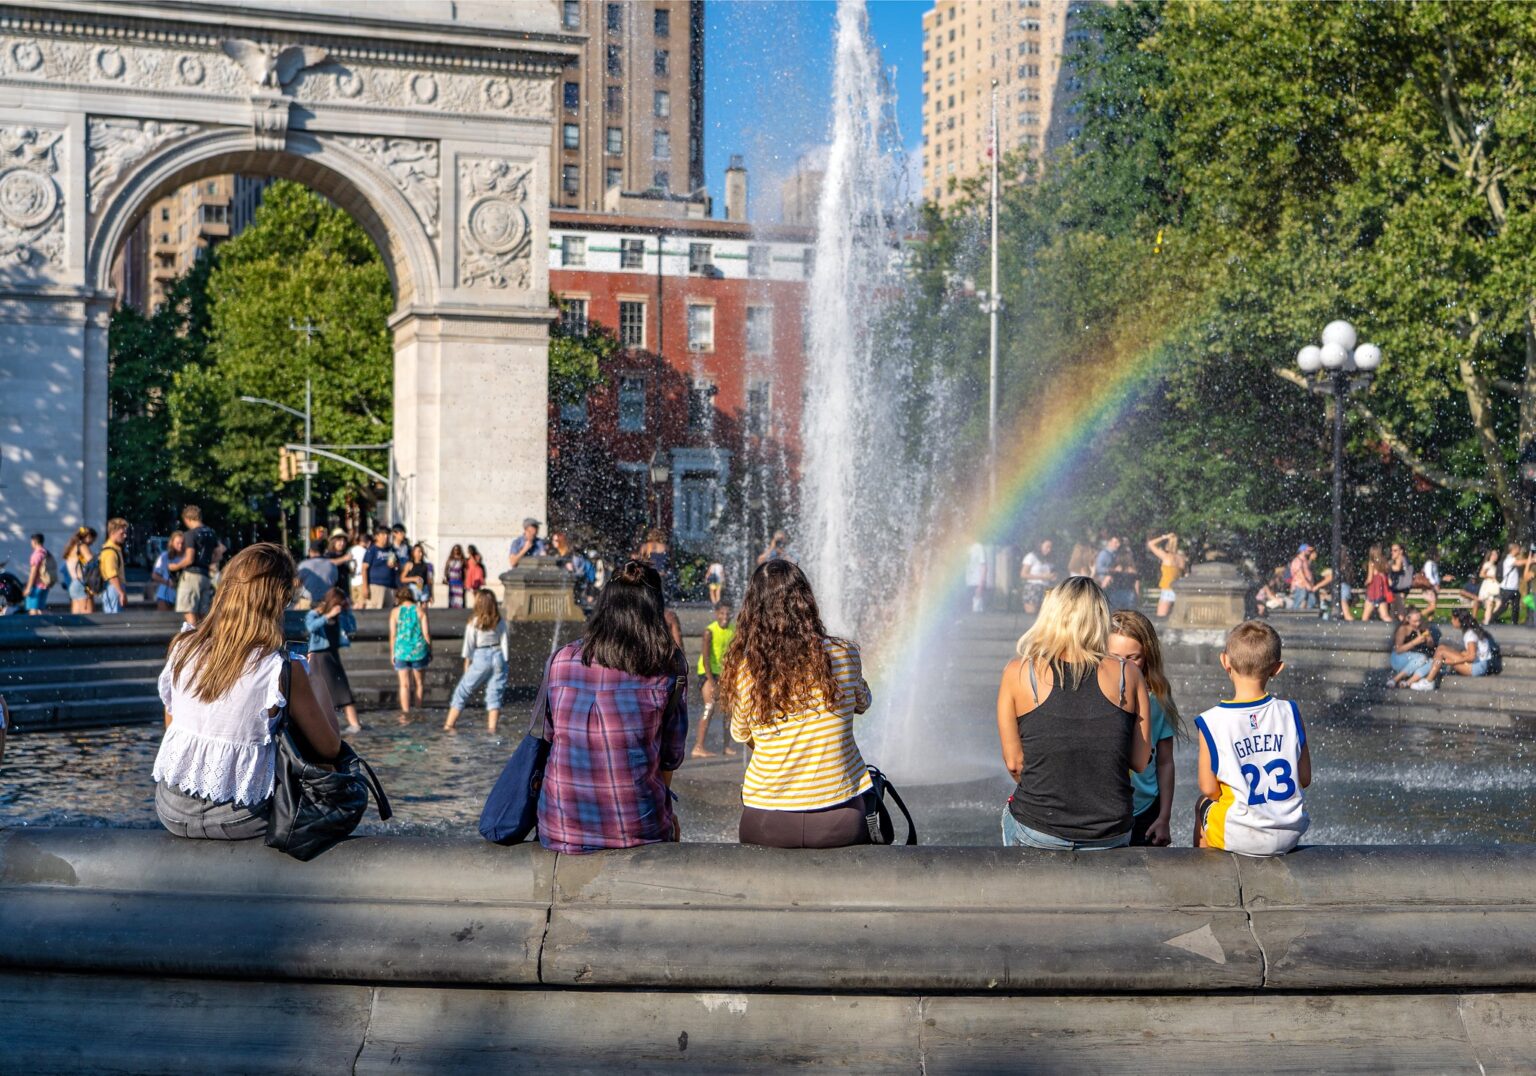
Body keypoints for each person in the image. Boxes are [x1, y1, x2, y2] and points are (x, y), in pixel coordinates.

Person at [152, 543, 342, 840]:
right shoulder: (279, 669)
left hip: (170, 808)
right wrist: (316, 678)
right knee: (333, 776)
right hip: (239, 818)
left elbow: (171, 726)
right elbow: (330, 747)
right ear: (277, 602)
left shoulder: (183, 647)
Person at [722, 560, 876, 849]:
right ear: (806, 602)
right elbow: (863, 702)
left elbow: (744, 735)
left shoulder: (747, 670)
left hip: (766, 821)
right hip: (838, 819)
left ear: (754, 610)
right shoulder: (845, 655)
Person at [537, 560, 687, 855]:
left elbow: (547, 737)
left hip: (560, 827)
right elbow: (670, 757)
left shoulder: (561, 660)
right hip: (638, 830)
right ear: (654, 610)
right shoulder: (668, 666)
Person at [996, 576, 1151, 850]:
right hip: (1110, 830)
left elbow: (1014, 763)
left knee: (1014, 815)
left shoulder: (1018, 672)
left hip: (1039, 827)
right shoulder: (1130, 674)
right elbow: (1139, 761)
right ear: (1100, 618)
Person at [1193, 620, 1311, 855]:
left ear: (1224, 660)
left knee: (1202, 805)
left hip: (1241, 834)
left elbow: (1208, 788)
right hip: (1290, 832)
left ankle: (1204, 876)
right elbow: (1304, 778)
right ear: (1277, 668)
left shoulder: (1212, 721)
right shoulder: (1290, 712)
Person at [1109, 610, 1183, 847]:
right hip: (1105, 810)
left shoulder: (1157, 700)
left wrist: (1164, 817)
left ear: (1148, 657)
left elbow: (1165, 762)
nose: (1123, 665)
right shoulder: (1091, 696)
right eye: (1114, 656)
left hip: (1146, 810)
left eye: (1133, 658)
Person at [444, 590, 509, 733]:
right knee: (494, 694)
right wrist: (505, 663)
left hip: (481, 656)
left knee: (462, 692)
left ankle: (449, 726)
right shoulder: (499, 621)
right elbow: (504, 642)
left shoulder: (474, 622)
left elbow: (468, 646)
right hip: (498, 656)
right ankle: (492, 730)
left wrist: (467, 665)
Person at [305, 587, 360, 733]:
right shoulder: (315, 614)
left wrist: (348, 611)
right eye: (340, 603)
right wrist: (328, 615)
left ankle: (353, 724)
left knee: (342, 688)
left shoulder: (341, 615)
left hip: (332, 654)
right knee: (323, 691)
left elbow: (352, 628)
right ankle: (328, 726)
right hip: (319, 656)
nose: (340, 606)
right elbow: (310, 627)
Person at [692, 601, 736, 758]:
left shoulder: (733, 629)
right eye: (722, 614)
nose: (725, 617)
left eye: (728, 614)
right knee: (709, 706)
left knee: (728, 709)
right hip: (707, 672)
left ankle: (726, 746)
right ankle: (698, 747)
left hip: (723, 673)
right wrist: (712, 682)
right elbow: (705, 659)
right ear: (716, 614)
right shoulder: (709, 631)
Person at [1410, 609, 1494, 690]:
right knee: (1442, 648)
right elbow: (1473, 653)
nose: (1451, 621)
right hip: (1481, 665)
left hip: (1477, 668)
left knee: (1441, 651)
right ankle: (1434, 670)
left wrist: (1452, 662)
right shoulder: (1472, 630)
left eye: (1453, 619)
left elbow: (1471, 657)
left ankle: (1428, 681)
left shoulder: (1470, 634)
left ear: (1458, 620)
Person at [169, 505, 223, 626]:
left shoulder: (191, 534)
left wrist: (174, 566)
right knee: (203, 614)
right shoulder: (210, 532)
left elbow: (189, 559)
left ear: (187, 519)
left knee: (190, 612)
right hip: (205, 576)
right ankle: (203, 640)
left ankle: (193, 639)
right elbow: (220, 552)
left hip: (192, 575)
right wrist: (207, 561)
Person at [388, 586, 431, 713]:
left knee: (404, 685)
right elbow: (426, 633)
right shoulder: (420, 611)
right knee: (419, 684)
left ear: (398, 598)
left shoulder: (395, 612)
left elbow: (393, 635)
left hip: (401, 651)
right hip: (419, 650)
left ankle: (405, 713)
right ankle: (418, 709)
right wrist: (429, 649)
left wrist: (392, 653)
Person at [1388, 608, 1436, 688]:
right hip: (1398, 659)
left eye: (1419, 620)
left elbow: (1431, 645)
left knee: (1434, 662)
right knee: (1422, 658)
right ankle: (1395, 680)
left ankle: (1407, 683)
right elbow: (1398, 650)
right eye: (1414, 621)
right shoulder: (1403, 629)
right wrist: (1414, 642)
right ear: (1408, 619)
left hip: (1416, 660)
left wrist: (1429, 640)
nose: (1417, 624)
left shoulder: (1423, 627)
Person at [1146, 533, 1185, 618]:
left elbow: (1150, 544)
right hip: (1178, 591)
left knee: (1161, 618)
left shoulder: (1166, 556)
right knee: (1175, 619)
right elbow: (1183, 575)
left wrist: (1163, 537)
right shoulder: (1181, 559)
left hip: (1167, 589)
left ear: (1167, 545)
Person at [361, 526, 399, 610]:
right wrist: (365, 587)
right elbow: (364, 568)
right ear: (377, 536)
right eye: (383, 534)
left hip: (390, 586)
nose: (386, 536)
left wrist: (395, 565)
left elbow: (398, 567)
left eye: (387, 534)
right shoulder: (372, 550)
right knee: (375, 612)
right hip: (376, 586)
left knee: (389, 613)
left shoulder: (391, 550)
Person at [62, 526, 97, 613]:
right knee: (90, 616)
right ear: (88, 536)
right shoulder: (82, 546)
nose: (93, 542)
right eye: (93, 539)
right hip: (82, 583)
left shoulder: (72, 548)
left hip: (74, 584)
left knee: (77, 619)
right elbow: (92, 562)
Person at [1498, 542, 1534, 625]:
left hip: (1513, 589)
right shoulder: (1510, 559)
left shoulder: (1513, 558)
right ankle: (1491, 620)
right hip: (1507, 589)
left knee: (1516, 606)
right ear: (1513, 549)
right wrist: (1531, 560)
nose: (1519, 549)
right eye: (1518, 548)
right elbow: (1520, 562)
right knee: (1503, 607)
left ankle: (1514, 623)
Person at [98, 518, 129, 614]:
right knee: (114, 619)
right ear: (113, 532)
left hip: (114, 588)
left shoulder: (114, 549)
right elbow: (112, 575)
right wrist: (121, 592)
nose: (125, 536)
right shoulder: (110, 552)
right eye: (122, 533)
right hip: (113, 588)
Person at [295, 540, 336, 610]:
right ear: (323, 552)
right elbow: (334, 582)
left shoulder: (304, 564)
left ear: (310, 551)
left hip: (307, 603)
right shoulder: (332, 565)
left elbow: (296, 583)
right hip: (324, 605)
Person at [1019, 539, 1056, 615]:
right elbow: (1023, 574)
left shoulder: (1049, 559)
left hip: (1046, 587)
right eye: (1047, 547)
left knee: (1044, 614)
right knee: (1032, 614)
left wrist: (1053, 576)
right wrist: (1042, 577)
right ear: (1040, 546)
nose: (1049, 550)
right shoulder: (1031, 557)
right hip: (1033, 587)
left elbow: (1051, 573)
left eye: (1051, 548)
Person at [22, 532, 54, 615]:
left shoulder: (37, 554)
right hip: (46, 584)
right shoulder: (46, 553)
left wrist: (28, 588)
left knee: (33, 610)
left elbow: (33, 572)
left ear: (34, 541)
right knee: (41, 609)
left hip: (37, 585)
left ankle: (35, 626)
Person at [1361, 544, 1393, 623]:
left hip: (1373, 593)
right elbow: (1390, 582)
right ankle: (1394, 628)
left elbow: (1370, 579)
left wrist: (1364, 584)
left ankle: (1363, 633)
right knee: (1385, 616)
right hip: (1381, 594)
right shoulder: (1384, 564)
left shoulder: (1371, 563)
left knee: (1365, 617)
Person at [151, 531, 182, 611]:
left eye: (182, 543)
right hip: (165, 594)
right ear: (172, 543)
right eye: (177, 543)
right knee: (163, 619)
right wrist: (167, 582)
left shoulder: (185, 558)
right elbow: (154, 575)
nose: (180, 546)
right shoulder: (164, 556)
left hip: (180, 595)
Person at [1387, 542, 1414, 620]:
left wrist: (1385, 565)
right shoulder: (1401, 559)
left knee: (1399, 611)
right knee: (1394, 609)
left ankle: (1405, 627)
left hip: (1400, 588)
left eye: (1395, 550)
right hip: (1399, 588)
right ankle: (1395, 627)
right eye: (1392, 550)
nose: (1392, 552)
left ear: (1401, 551)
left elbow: (1397, 568)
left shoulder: (1400, 558)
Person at [1288, 544, 1319, 611]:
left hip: (1306, 586)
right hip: (1300, 586)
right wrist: (1307, 584)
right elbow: (1300, 574)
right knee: (1298, 602)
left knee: (1312, 601)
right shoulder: (1297, 560)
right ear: (1302, 550)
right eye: (1308, 550)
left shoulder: (1304, 560)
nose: (1310, 552)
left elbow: (1307, 571)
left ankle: (1307, 618)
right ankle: (1295, 618)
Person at [1476, 548, 1502, 624]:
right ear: (1490, 555)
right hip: (1489, 587)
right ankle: (1487, 621)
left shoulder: (1495, 566)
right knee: (1489, 604)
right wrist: (1491, 577)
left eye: (1496, 554)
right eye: (1493, 554)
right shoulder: (1487, 564)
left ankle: (1489, 619)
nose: (1495, 556)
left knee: (1499, 603)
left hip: (1495, 587)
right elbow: (1481, 574)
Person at [1421, 547, 1445, 620]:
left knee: (1431, 606)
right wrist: (1435, 585)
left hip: (1432, 588)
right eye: (1438, 554)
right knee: (1433, 606)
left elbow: (1435, 576)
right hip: (1430, 587)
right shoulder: (1429, 563)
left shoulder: (1433, 563)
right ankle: (1416, 616)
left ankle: (1430, 622)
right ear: (1434, 555)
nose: (1439, 556)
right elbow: (1429, 576)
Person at [444, 544, 467, 608]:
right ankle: (451, 606)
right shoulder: (450, 559)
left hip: (459, 580)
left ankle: (460, 606)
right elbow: (446, 568)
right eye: (455, 550)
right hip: (452, 579)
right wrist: (446, 576)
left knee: (459, 595)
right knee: (452, 594)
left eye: (457, 550)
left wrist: (465, 580)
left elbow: (465, 570)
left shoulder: (462, 559)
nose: (456, 551)